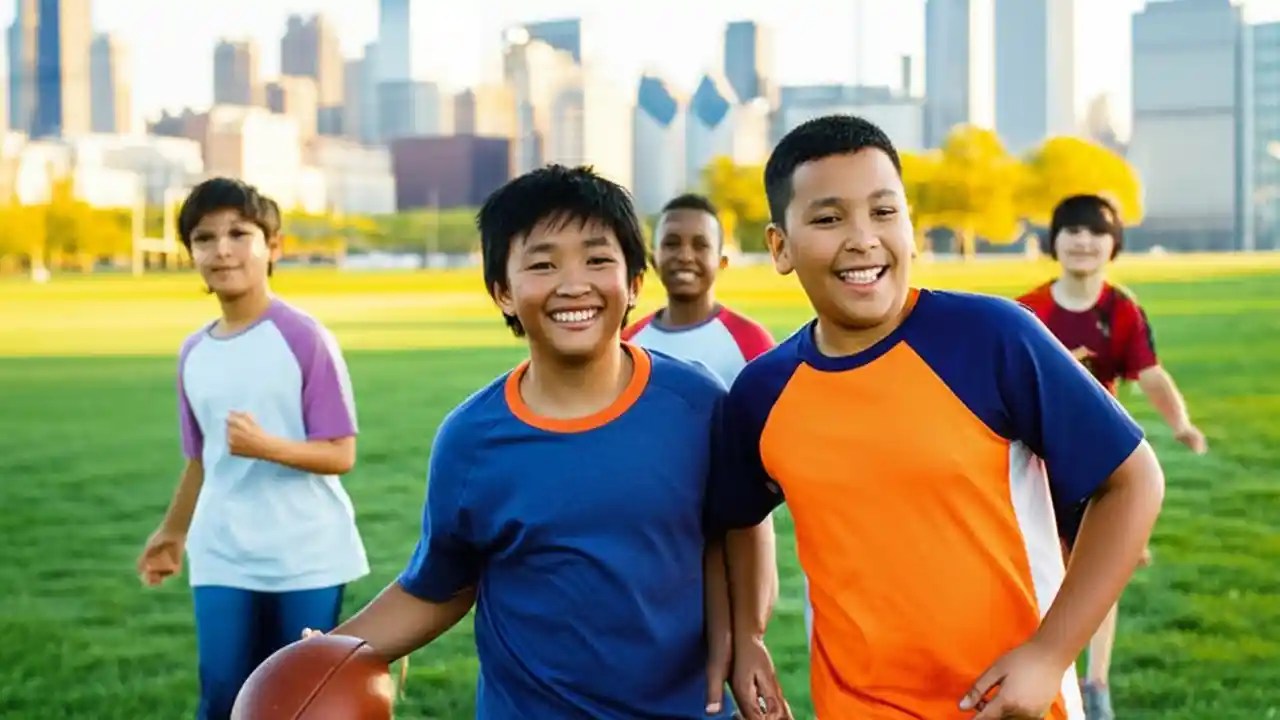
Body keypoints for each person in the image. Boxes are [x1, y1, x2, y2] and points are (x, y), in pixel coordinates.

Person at [710, 115, 1166, 720]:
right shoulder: (763, 393)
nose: (862, 238)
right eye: (827, 218)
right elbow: (734, 518)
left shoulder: (990, 338)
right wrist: (748, 637)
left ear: (912, 228)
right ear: (780, 247)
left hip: (1009, 705)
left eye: (883, 211)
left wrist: (1049, 655)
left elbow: (1133, 480)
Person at [313, 165, 775, 719]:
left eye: (598, 259)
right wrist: (328, 654)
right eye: (543, 263)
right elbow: (440, 584)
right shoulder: (472, 442)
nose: (573, 283)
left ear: (633, 282)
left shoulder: (698, 405)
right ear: (503, 292)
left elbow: (743, 525)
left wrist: (749, 635)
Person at [135, 177, 367, 720]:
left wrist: (267, 446)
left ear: (273, 247)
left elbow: (340, 453)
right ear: (190, 253)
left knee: (299, 700)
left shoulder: (304, 338)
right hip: (223, 553)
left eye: (239, 234)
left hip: (305, 554)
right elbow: (201, 458)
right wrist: (172, 532)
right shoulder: (194, 351)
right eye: (203, 238)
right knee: (221, 695)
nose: (221, 250)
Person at [1017, 193, 1207, 720]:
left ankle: (1094, 684)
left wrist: (1182, 425)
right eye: (1071, 229)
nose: (1083, 240)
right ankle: (1045, 674)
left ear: (1114, 244)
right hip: (1036, 466)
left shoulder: (1121, 311)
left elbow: (1150, 375)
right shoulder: (1027, 311)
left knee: (1100, 574)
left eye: (1096, 231)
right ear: (1053, 241)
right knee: (1046, 573)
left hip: (1100, 464)